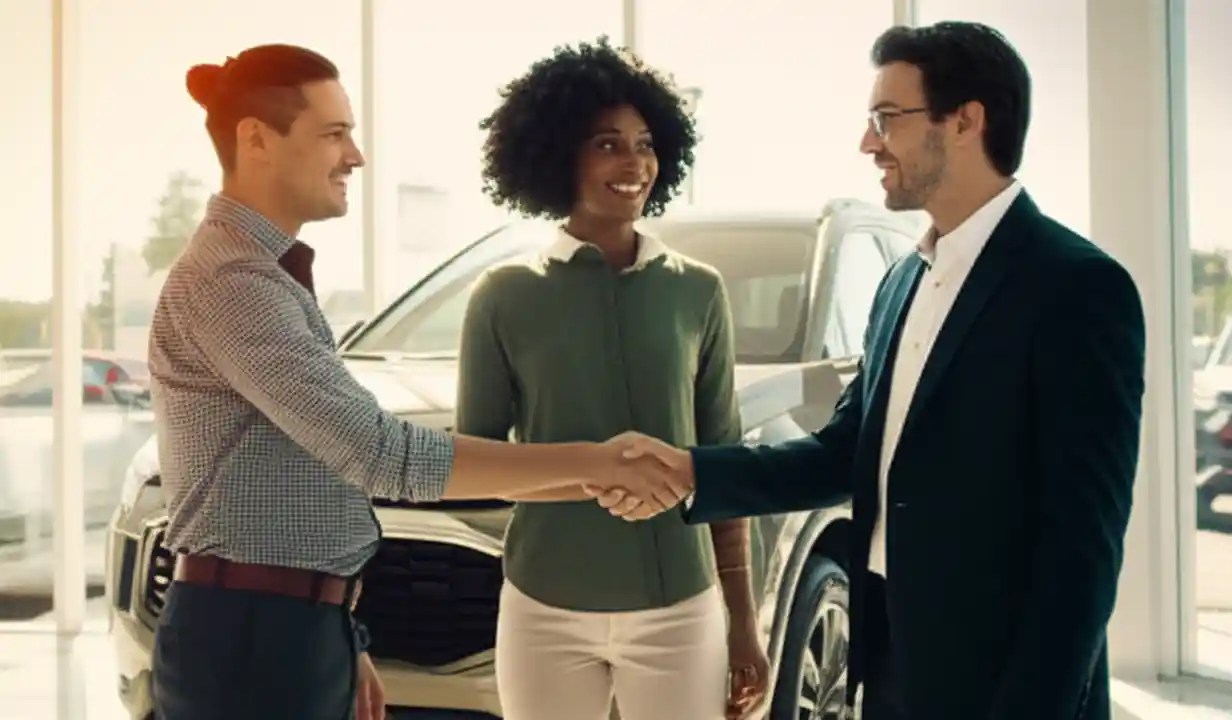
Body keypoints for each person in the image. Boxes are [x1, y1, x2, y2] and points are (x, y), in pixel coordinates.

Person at [590, 22, 1147, 720]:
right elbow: (847, 453)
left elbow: (1082, 549)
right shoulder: (901, 284)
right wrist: (688, 473)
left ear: (966, 120)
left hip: (1005, 687)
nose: (867, 142)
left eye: (887, 118)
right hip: (891, 666)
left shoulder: (1078, 288)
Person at [149, 44, 684, 720]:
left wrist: (345, 632)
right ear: (256, 140)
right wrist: (601, 465)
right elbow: (380, 455)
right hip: (250, 642)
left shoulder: (265, 273)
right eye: (335, 133)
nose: (356, 156)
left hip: (292, 627)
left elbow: (311, 483)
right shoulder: (234, 283)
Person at [455, 38, 770, 720]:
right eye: (608, 145)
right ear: (558, 154)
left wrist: (742, 618)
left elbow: (726, 463)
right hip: (544, 608)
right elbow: (472, 463)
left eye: (646, 144)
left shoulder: (698, 292)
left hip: (681, 611)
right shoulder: (502, 295)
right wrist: (602, 473)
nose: (635, 165)